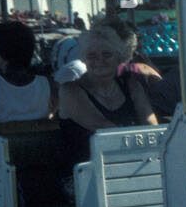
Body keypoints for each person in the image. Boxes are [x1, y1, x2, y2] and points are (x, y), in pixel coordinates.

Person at [57, 24, 157, 186]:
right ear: (83, 58)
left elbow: (151, 127)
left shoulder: (131, 86)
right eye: (92, 55)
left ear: (119, 57)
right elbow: (105, 131)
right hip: (84, 175)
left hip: (129, 168)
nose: (99, 61)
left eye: (106, 54)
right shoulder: (70, 91)